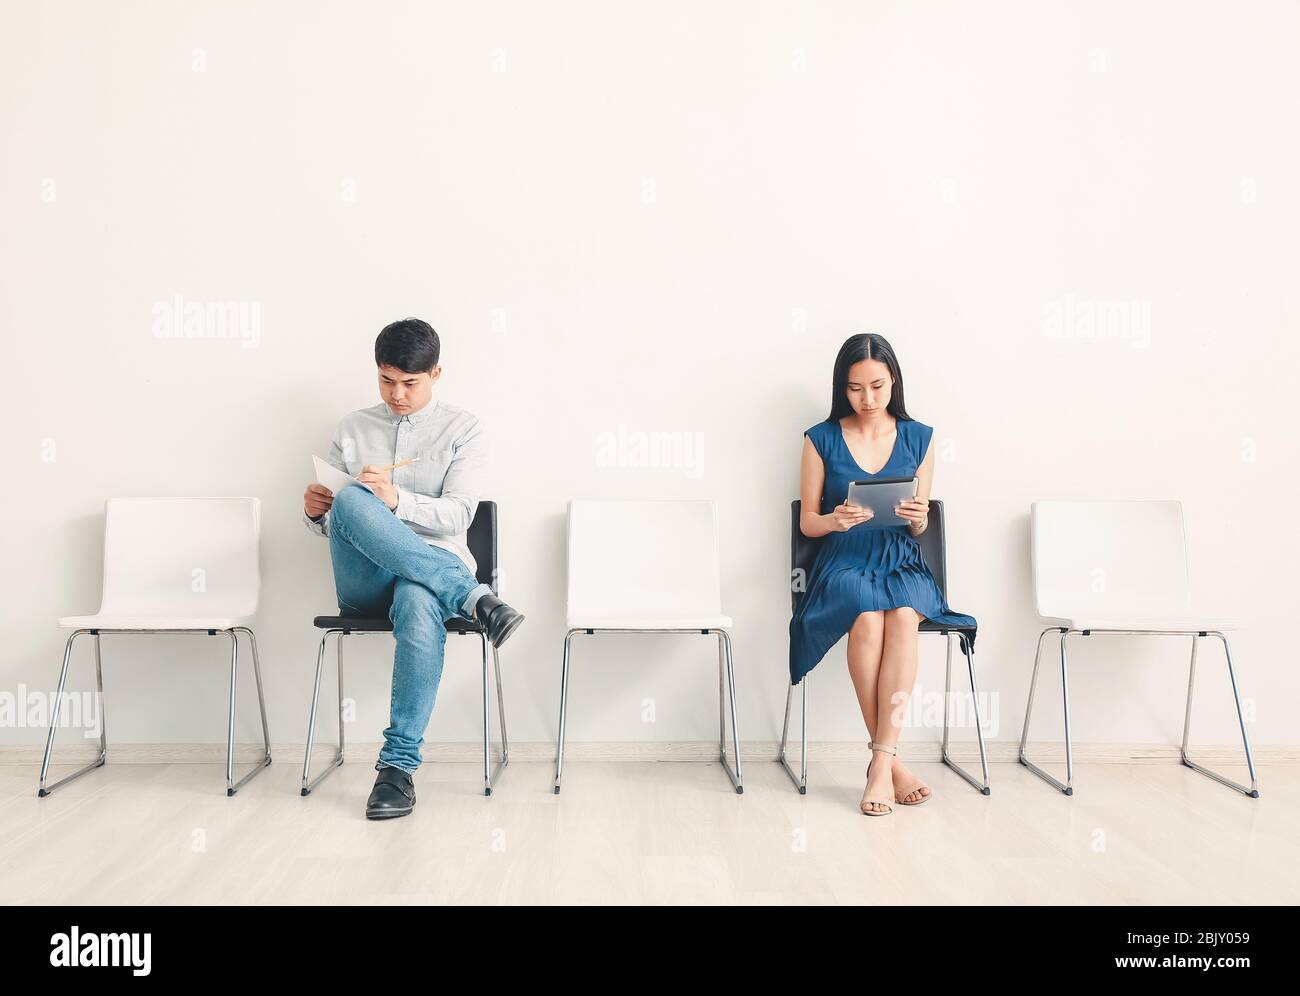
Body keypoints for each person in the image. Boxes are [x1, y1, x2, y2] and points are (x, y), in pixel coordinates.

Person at [303, 317, 524, 820]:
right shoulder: (352, 428)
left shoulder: (464, 430)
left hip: (428, 572)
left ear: (435, 373)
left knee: (419, 596)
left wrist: (397, 499)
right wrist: (319, 512)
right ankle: (476, 599)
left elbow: (461, 514)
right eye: (386, 380)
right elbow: (338, 523)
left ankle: (396, 771)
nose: (396, 393)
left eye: (409, 382)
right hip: (366, 580)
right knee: (354, 498)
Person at [789, 333, 976, 817]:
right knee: (868, 617)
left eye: (876, 385)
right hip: (844, 556)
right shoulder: (820, 438)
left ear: (893, 380)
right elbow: (808, 519)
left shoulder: (921, 437)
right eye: (855, 388)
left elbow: (920, 522)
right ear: (841, 388)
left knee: (903, 614)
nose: (867, 399)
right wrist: (835, 520)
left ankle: (879, 761)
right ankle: (889, 763)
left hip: (900, 556)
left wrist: (918, 517)